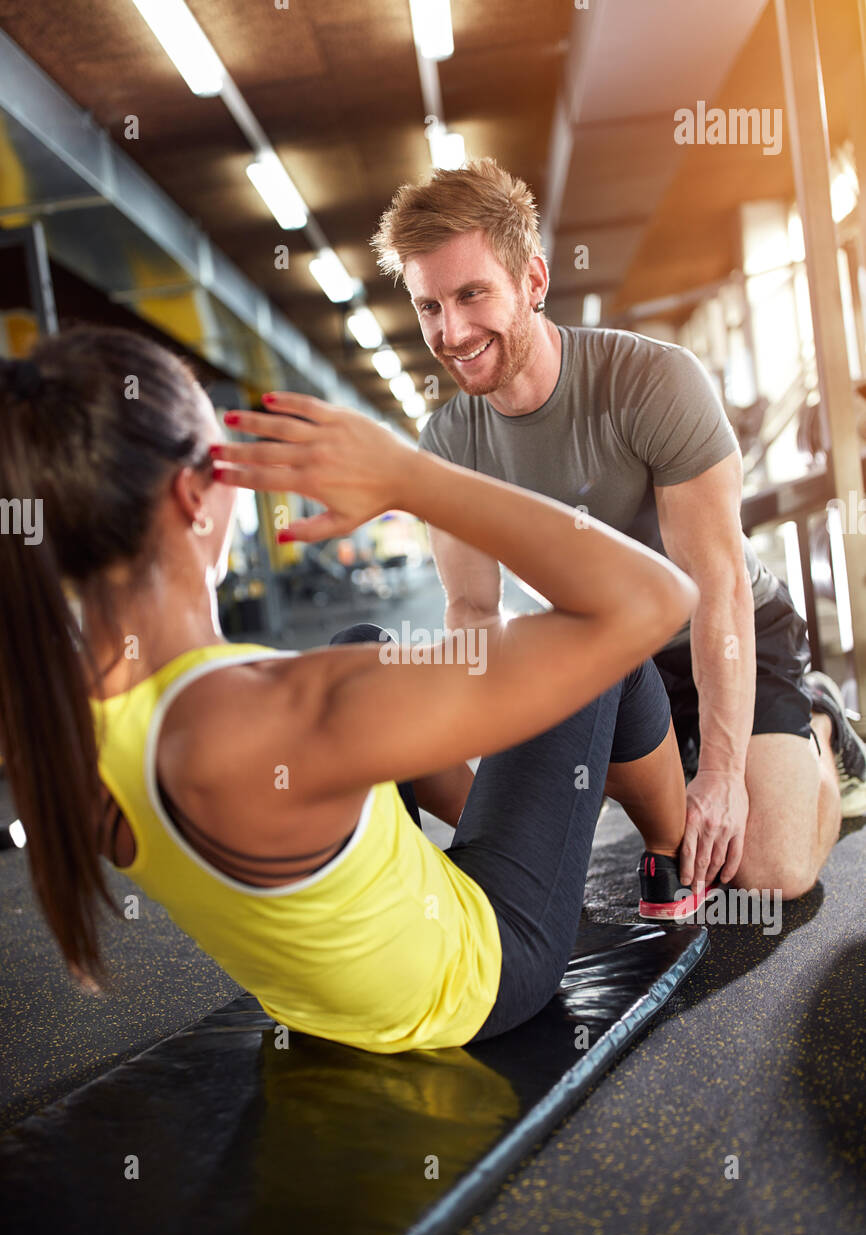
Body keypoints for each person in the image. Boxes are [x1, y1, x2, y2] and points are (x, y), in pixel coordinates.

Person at [0, 325, 698, 1054]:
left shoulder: (52, 717)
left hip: (315, 1003)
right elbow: (653, 600)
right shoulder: (287, 709)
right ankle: (674, 855)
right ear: (192, 497)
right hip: (484, 977)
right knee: (608, 663)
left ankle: (511, 840)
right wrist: (410, 478)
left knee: (362, 641)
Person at [370, 158, 866, 905]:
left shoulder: (653, 383)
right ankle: (684, 763)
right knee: (621, 822)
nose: (452, 330)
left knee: (767, 875)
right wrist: (490, 758)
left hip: (732, 631)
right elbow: (473, 613)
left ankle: (823, 729)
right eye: (429, 306)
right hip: (610, 659)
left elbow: (718, 586)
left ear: (533, 282)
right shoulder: (448, 443)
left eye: (472, 294)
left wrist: (727, 775)